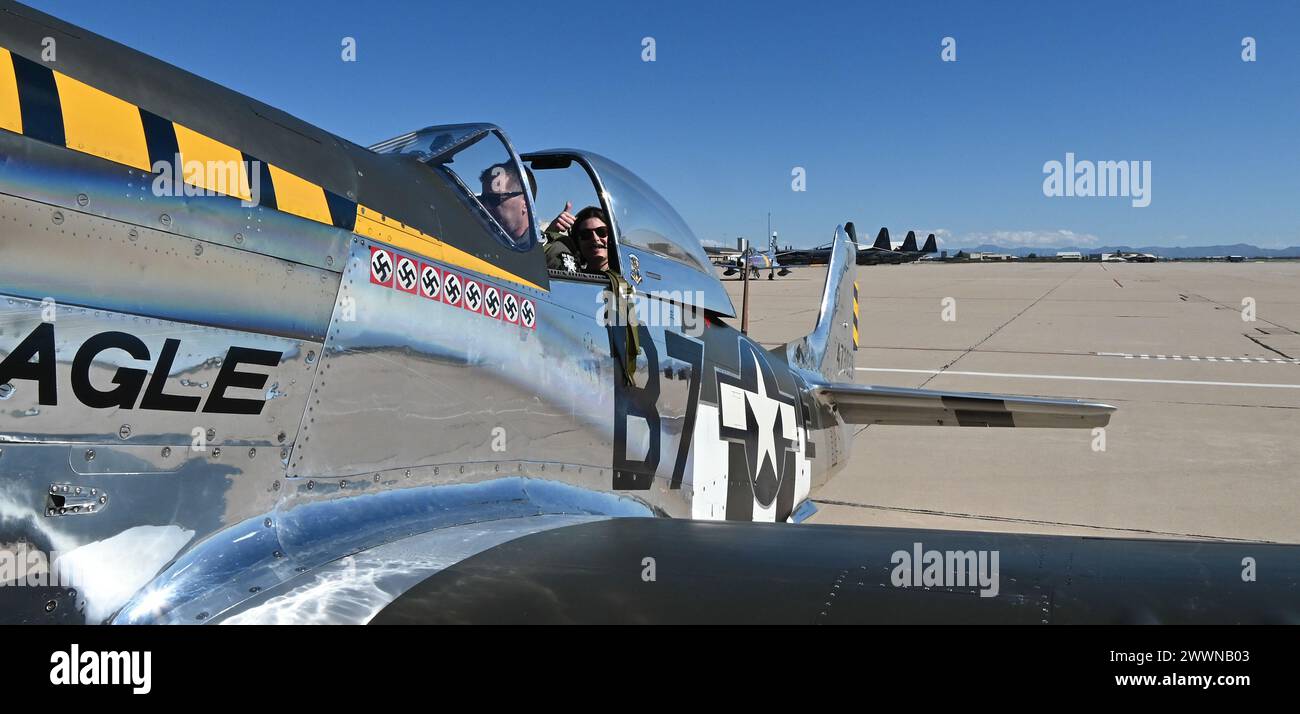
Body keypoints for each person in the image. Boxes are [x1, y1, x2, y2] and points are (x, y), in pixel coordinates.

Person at [479, 162, 534, 246]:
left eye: (494, 199)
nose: (485, 207)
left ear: (526, 203)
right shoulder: (484, 246)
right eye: (482, 199)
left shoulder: (546, 254)